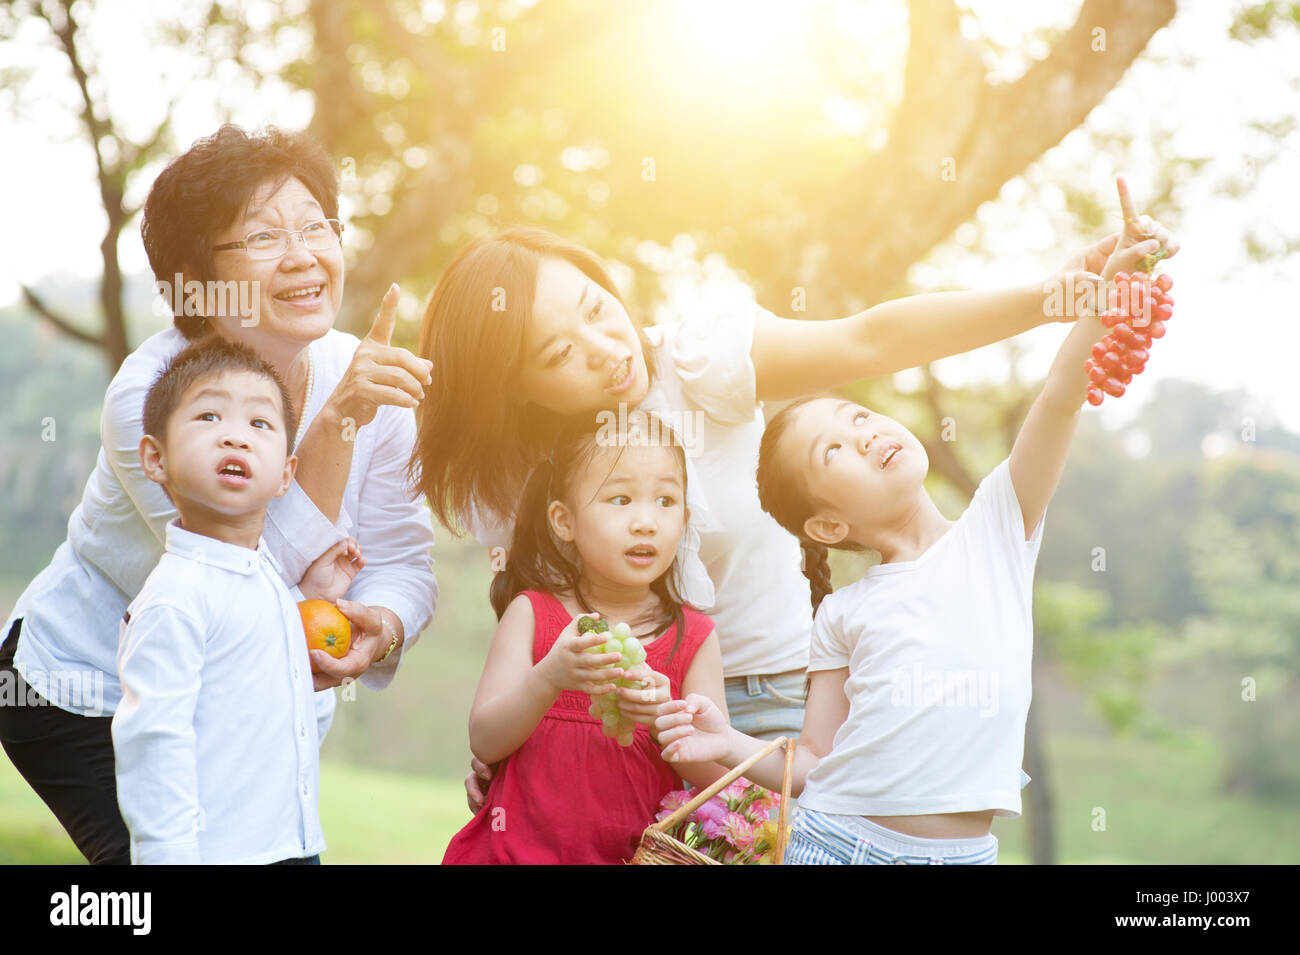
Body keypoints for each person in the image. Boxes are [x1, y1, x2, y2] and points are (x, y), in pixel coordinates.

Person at [413, 212, 1176, 810]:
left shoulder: (699, 361)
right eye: (558, 355)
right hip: (614, 723)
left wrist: (1058, 295)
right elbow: (533, 622)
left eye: (594, 308)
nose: (604, 348)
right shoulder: (521, 477)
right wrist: (504, 736)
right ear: (519, 392)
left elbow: (869, 339)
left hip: (776, 704)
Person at [653, 179, 1179, 865]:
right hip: (836, 844)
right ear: (828, 528)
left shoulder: (996, 527)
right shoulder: (841, 614)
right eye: (832, 450)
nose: (864, 435)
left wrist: (1107, 290)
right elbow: (812, 760)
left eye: (859, 417)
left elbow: (1057, 400)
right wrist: (727, 745)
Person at [0, 125, 437, 864]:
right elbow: (244, 576)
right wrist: (336, 425)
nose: (302, 255)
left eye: (315, 226)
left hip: (237, 691)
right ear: (198, 277)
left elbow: (405, 561)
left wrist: (382, 623)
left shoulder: (365, 378)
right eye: (263, 237)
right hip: (86, 687)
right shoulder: (155, 397)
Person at [441, 414, 729, 864]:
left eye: (666, 500)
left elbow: (715, 776)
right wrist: (549, 677)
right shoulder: (532, 613)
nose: (646, 522)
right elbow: (485, 739)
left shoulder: (694, 637)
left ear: (686, 517)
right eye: (620, 499)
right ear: (563, 520)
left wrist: (660, 720)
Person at [114, 338, 358, 864]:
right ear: (155, 458)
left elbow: (297, 714)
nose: (236, 437)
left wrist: (311, 601)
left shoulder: (265, 580)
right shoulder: (177, 598)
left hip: (292, 845)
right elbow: (155, 745)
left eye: (260, 424)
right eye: (208, 416)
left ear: (286, 474)